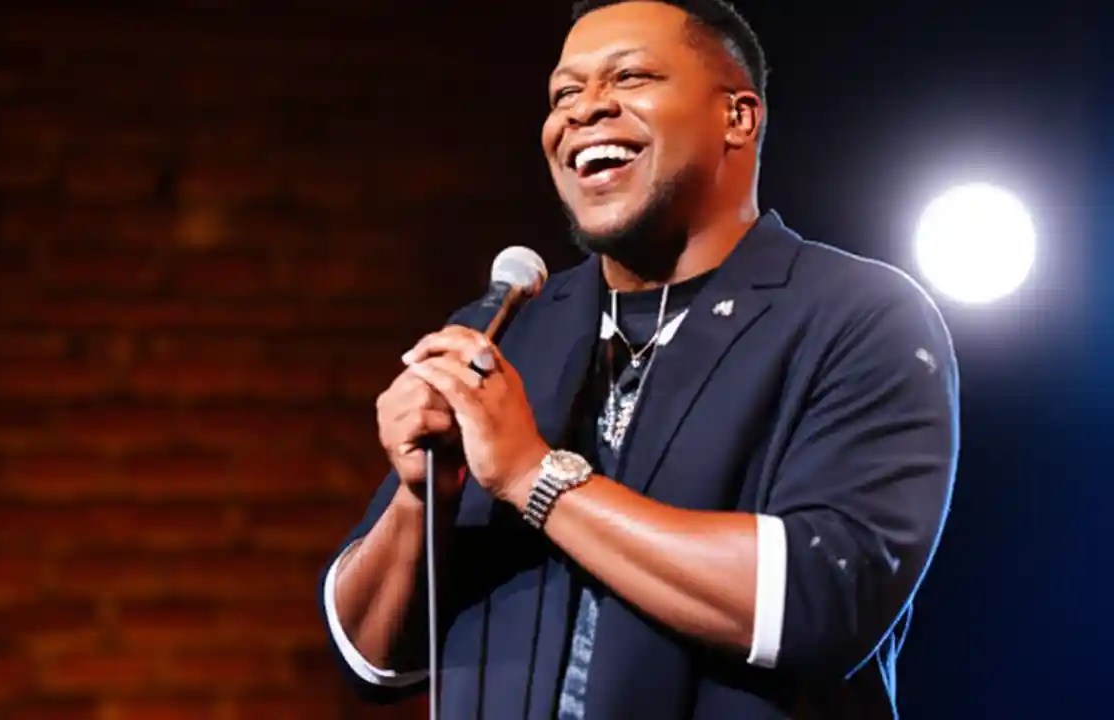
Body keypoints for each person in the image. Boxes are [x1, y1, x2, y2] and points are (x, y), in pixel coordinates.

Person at [316, 1, 959, 717]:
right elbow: (370, 657)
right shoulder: (505, 334)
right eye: (564, 92)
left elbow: (819, 599)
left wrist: (533, 476)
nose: (584, 109)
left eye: (630, 77)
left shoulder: (858, 316)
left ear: (738, 117)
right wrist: (421, 498)